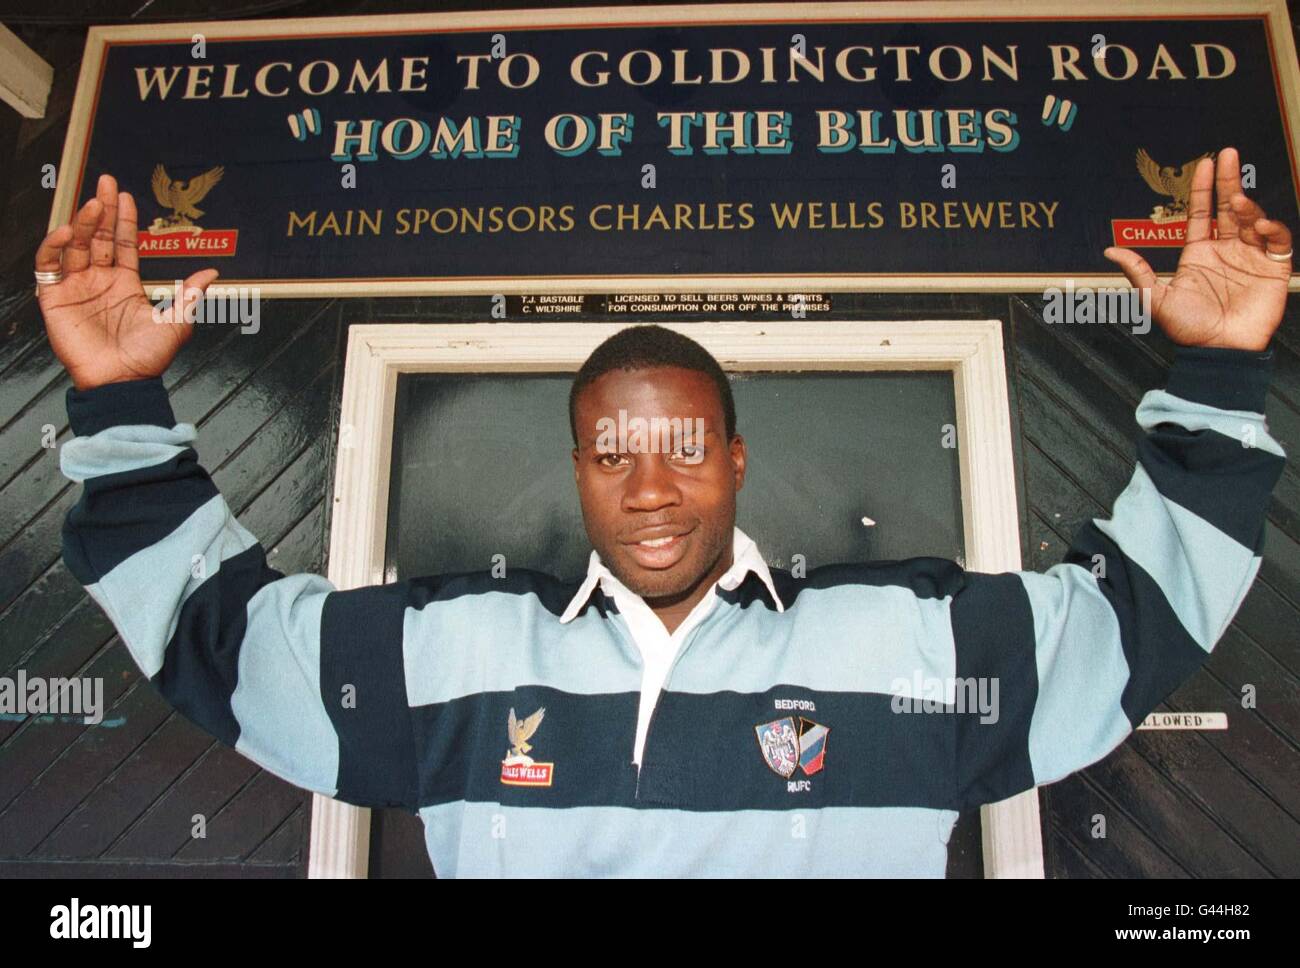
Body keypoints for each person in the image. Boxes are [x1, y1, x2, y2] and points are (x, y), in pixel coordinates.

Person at [34, 148, 1290, 877]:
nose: (650, 487)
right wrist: (116, 389)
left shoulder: (912, 643)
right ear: (575, 469)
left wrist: (1222, 370)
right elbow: (217, 636)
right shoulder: (448, 653)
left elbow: (1138, 615)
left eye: (683, 446)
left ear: (737, 461)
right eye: (613, 453)